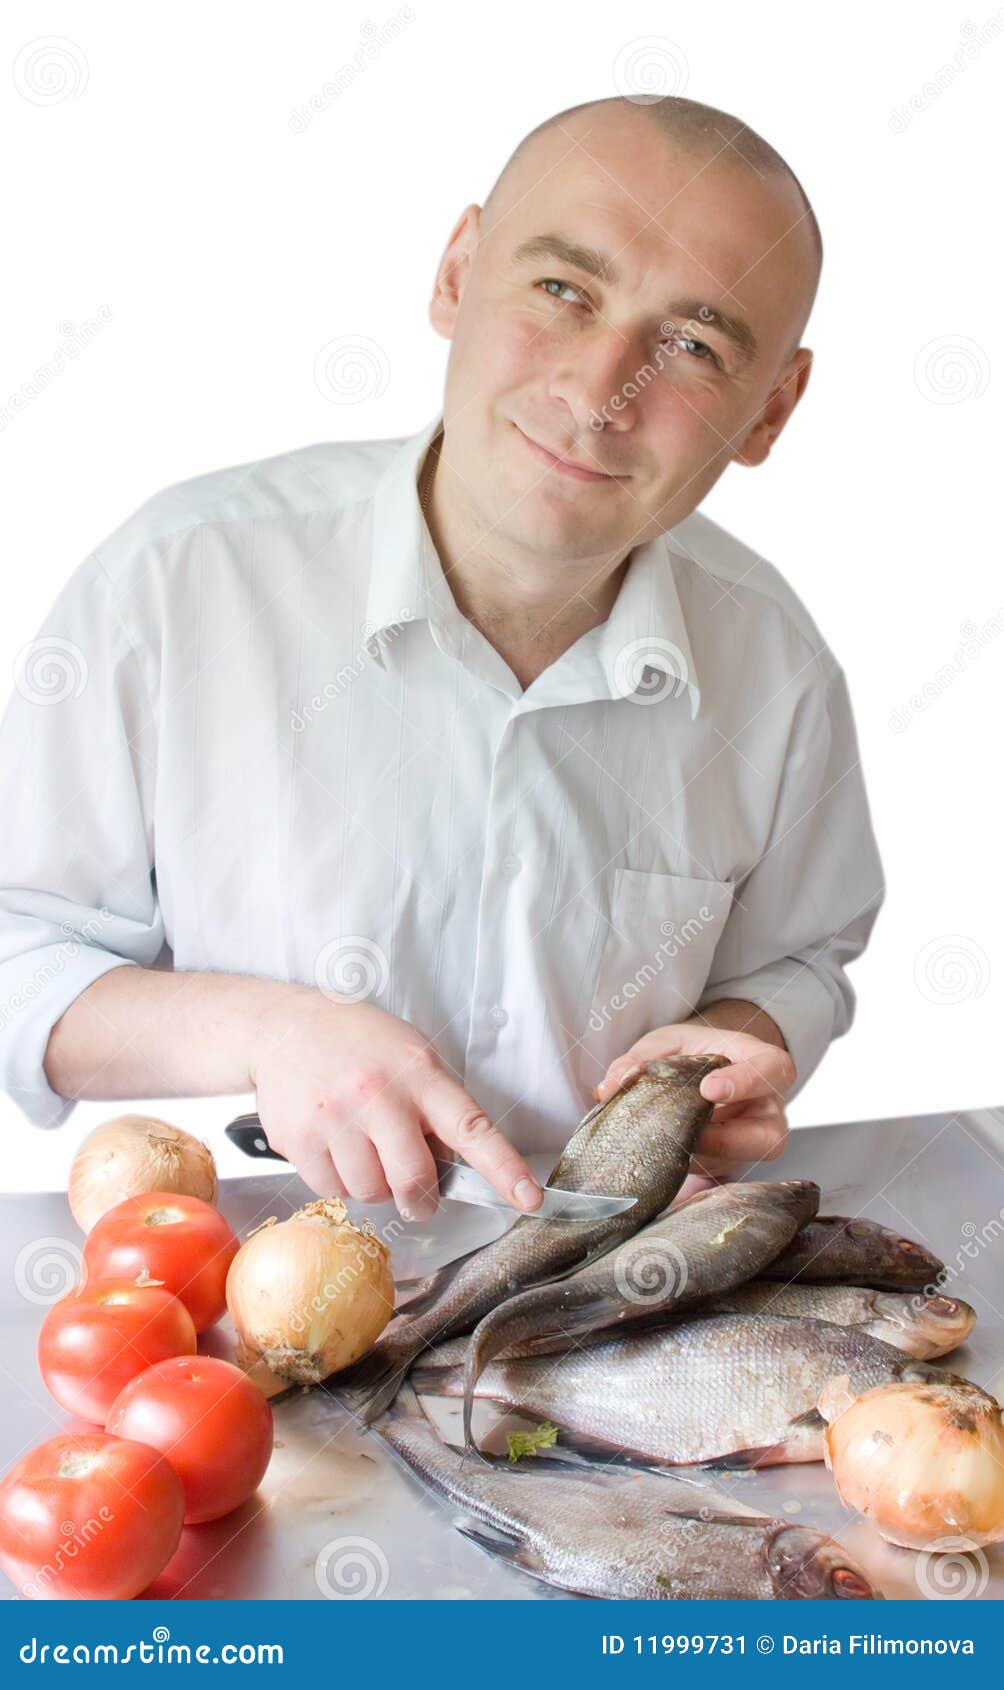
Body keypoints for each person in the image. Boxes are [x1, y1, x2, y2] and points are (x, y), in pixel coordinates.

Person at [0, 94, 883, 1221]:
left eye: (691, 345)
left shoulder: (777, 667)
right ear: (456, 274)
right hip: (219, 1300)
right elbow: (14, 954)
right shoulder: (178, 581)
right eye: (563, 290)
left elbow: (795, 963)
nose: (596, 392)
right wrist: (269, 1030)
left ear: (771, 410)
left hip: (606, 1297)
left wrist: (741, 1041)